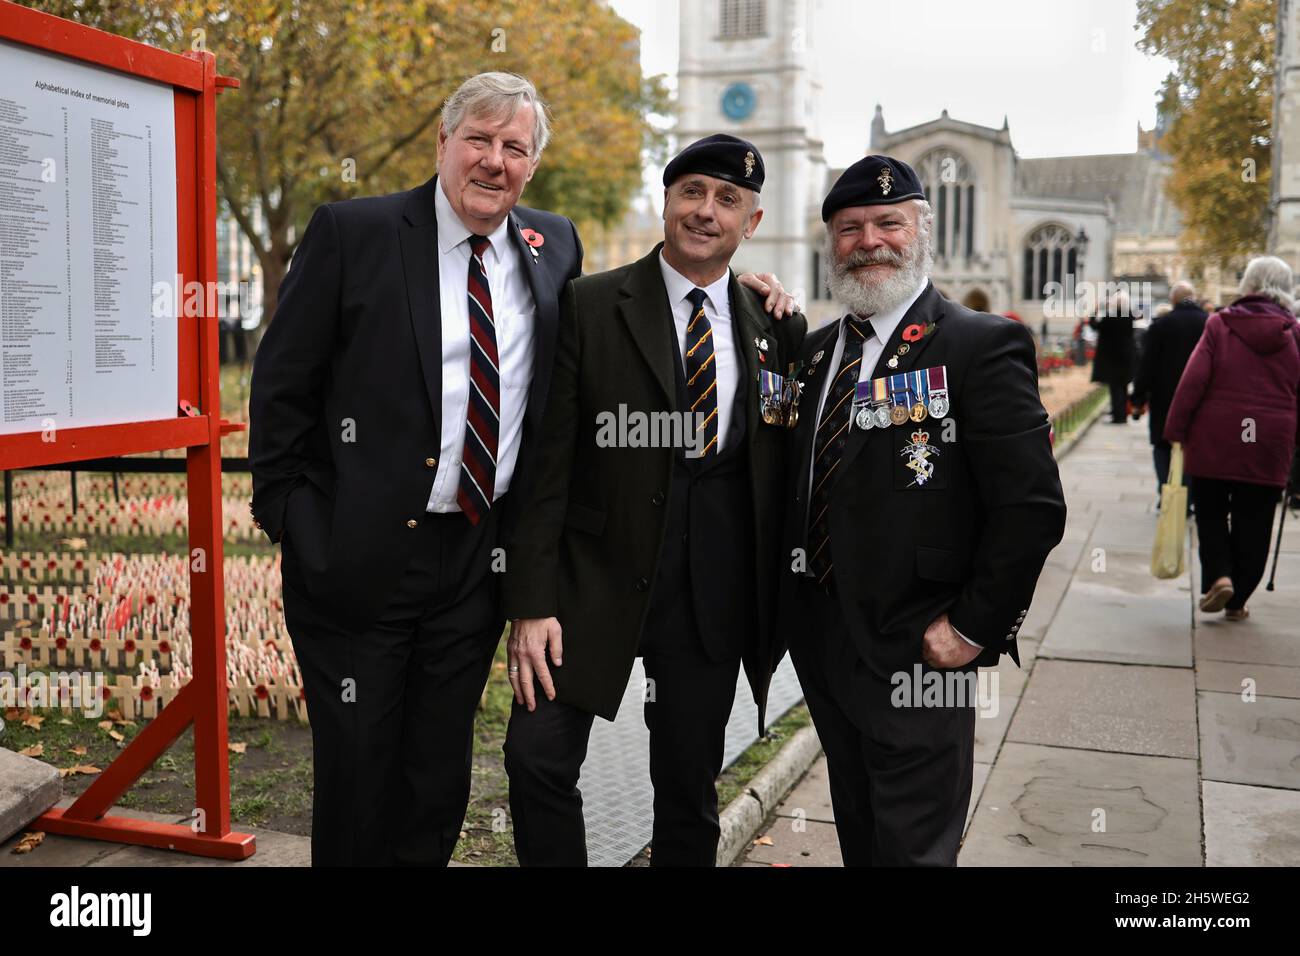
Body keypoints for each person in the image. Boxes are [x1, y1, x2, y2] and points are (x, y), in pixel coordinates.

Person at [499, 135, 806, 866]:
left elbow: (781, 455)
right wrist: (530, 603)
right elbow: (548, 466)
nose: (706, 211)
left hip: (709, 598)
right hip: (587, 586)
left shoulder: (776, 327)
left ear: (751, 222)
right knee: (536, 760)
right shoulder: (588, 304)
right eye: (691, 192)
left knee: (687, 785)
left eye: (727, 199)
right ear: (666, 202)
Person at [776, 155, 1066, 866]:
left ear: (921, 232)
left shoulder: (977, 343)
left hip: (921, 645)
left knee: (913, 846)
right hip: (823, 638)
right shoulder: (815, 356)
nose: (869, 240)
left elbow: (1030, 507)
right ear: (829, 244)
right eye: (849, 228)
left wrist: (973, 626)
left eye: (888, 222)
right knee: (862, 827)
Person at [1164, 256, 1300, 621]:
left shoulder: (1220, 324)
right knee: (1255, 520)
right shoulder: (1295, 332)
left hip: (1216, 434)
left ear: (1248, 284)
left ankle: (1220, 575)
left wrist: (1175, 429)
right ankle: (1238, 599)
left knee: (1209, 511)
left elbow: (1193, 381)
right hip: (1270, 440)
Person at [1131, 281, 1208, 491]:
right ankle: (1188, 495)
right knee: (1193, 445)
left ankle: (1165, 489)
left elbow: (1146, 366)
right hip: (1201, 398)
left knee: (1162, 444)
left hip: (1165, 397)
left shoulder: (1161, 326)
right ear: (1194, 297)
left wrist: (1138, 399)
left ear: (1173, 300)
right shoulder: (1209, 323)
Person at [1090, 292, 1137, 422]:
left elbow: (1095, 326)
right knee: (1123, 387)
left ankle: (1118, 416)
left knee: (1115, 387)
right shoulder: (1129, 317)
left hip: (1113, 358)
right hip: (1126, 357)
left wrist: (1094, 311)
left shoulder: (1111, 317)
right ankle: (1122, 414)